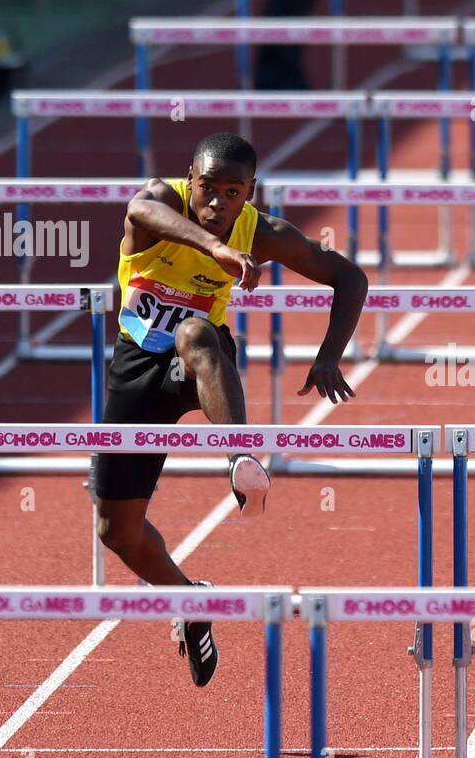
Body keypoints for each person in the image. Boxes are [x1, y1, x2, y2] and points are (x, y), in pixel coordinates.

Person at [97, 131, 367, 686]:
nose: (218, 203)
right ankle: (192, 605)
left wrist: (328, 356)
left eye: (233, 192)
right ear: (189, 181)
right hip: (135, 367)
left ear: (250, 192)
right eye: (208, 189)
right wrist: (214, 248)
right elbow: (138, 209)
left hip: (197, 366)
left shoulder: (262, 230)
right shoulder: (163, 201)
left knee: (199, 332)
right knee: (116, 533)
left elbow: (349, 276)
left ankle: (239, 459)